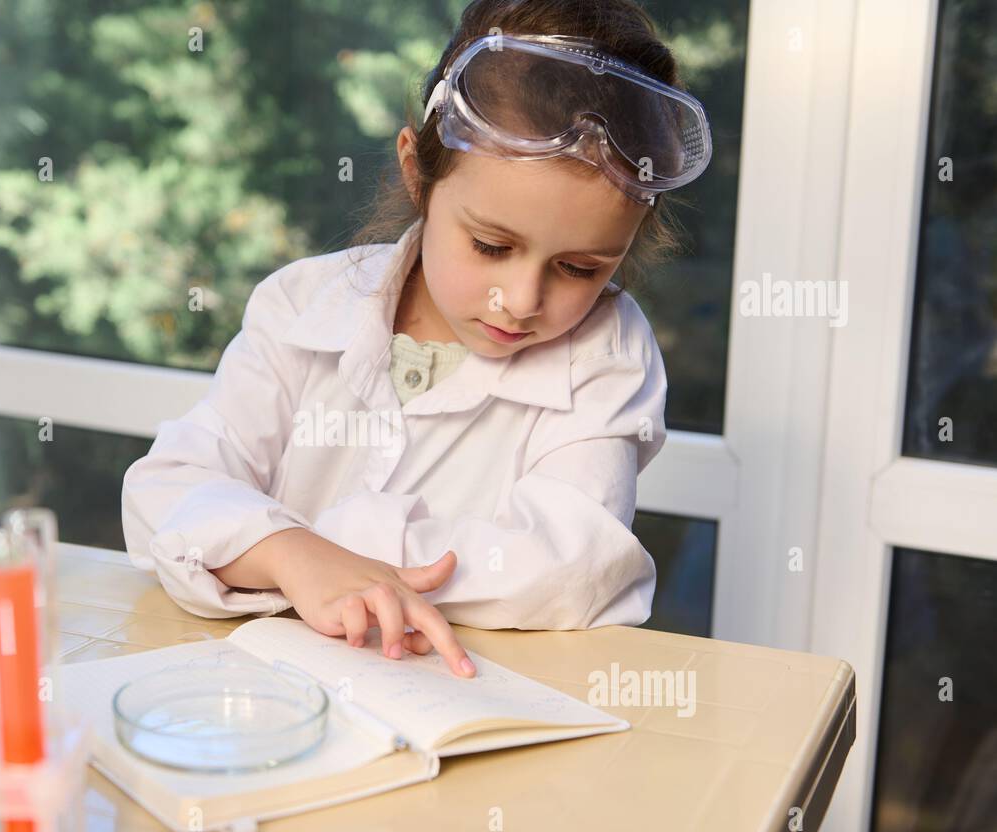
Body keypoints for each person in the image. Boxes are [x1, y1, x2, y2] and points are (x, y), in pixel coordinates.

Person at [122, 0, 712, 678]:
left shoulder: (607, 355)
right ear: (418, 174)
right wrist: (292, 553)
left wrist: (336, 546)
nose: (519, 300)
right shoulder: (301, 304)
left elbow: (574, 563)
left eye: (579, 268)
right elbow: (163, 492)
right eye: (491, 246)